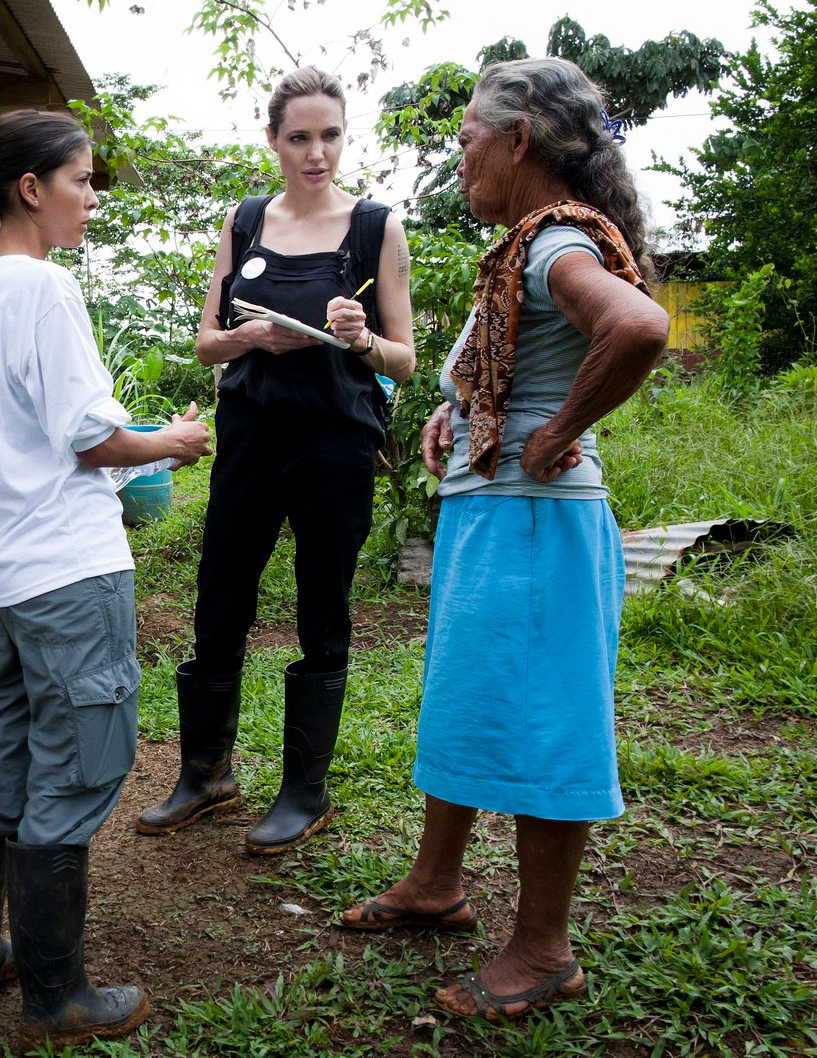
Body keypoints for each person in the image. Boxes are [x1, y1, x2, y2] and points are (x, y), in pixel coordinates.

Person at [339, 58, 670, 1021]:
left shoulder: (555, 241)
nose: (461, 162)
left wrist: (558, 430)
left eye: (469, 143)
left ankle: (543, 946)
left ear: (519, 140)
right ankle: (436, 881)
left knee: (544, 720)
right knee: (470, 699)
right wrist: (461, 413)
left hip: (535, 524)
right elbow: (508, 370)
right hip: (499, 517)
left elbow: (640, 329)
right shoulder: (529, 242)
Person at [0, 109, 213, 1047]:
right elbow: (91, 439)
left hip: (1, 573)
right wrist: (172, 442)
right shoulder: (46, 292)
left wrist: (136, 445)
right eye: (82, 180)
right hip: (70, 573)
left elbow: (26, 432)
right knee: (81, 761)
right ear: (31, 188)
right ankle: (55, 997)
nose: (92, 197)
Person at [136, 66, 416, 854]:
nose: (316, 152)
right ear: (273, 140)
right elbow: (205, 341)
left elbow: (405, 358)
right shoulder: (247, 219)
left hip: (334, 439)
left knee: (321, 605)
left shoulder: (374, 227)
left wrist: (361, 339)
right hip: (251, 434)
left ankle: (305, 790)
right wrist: (247, 337)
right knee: (220, 594)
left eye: (329, 135)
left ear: (343, 136)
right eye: (299, 137)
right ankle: (207, 774)